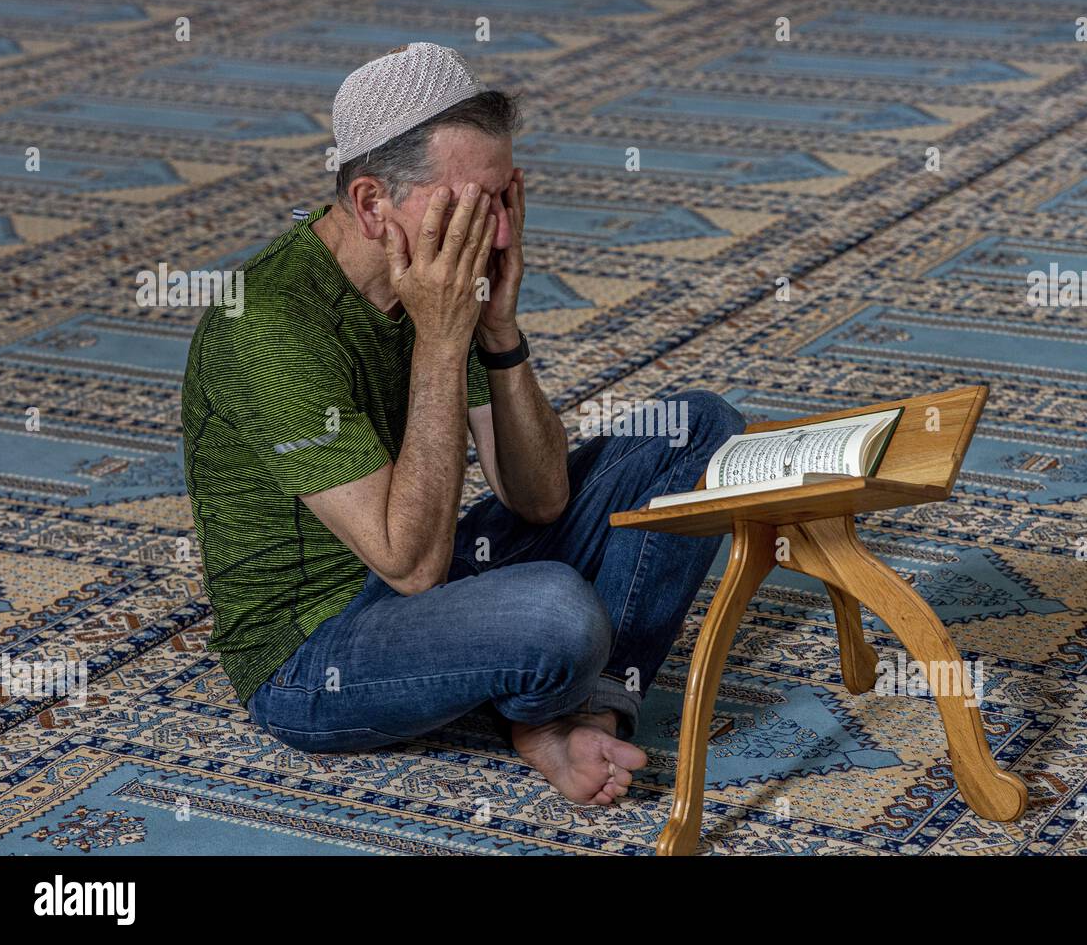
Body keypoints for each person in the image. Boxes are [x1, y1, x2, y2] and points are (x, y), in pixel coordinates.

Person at [181, 42, 744, 806]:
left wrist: (498, 333)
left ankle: (588, 709)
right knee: (554, 612)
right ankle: (547, 708)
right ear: (373, 203)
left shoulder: (438, 272)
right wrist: (444, 338)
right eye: (473, 206)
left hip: (437, 570)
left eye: (507, 199)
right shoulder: (270, 325)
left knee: (696, 428)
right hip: (316, 651)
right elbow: (406, 565)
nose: (502, 234)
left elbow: (538, 500)